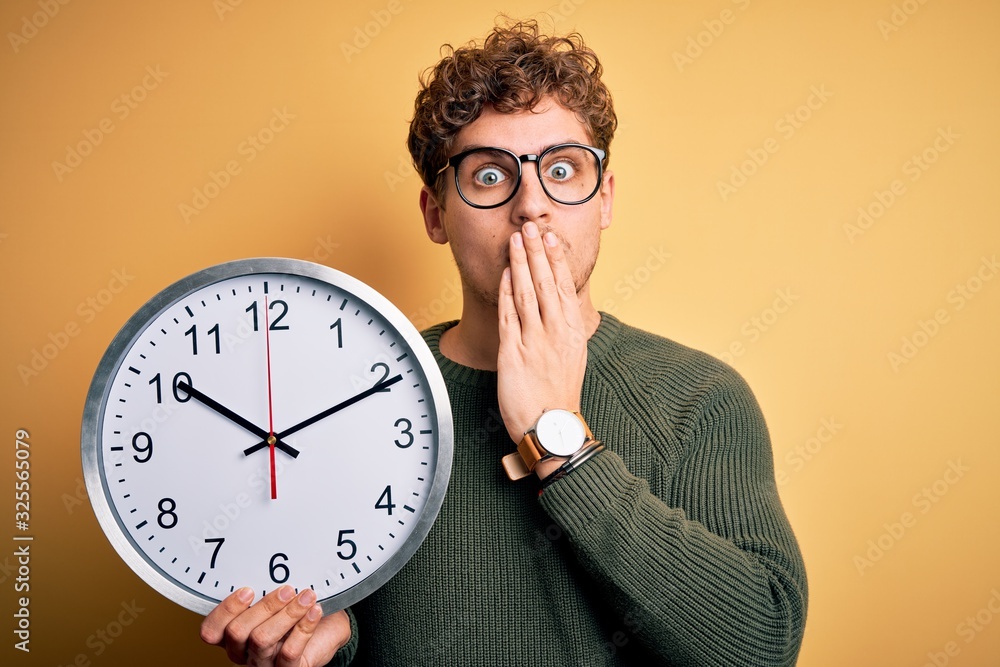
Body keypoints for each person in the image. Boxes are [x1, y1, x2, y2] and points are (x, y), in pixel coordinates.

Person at [200, 19, 808, 666]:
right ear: (436, 213)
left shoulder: (701, 399)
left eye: (563, 169)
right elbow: (347, 621)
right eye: (489, 176)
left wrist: (556, 437)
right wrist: (328, 647)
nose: (531, 205)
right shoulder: (354, 400)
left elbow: (762, 647)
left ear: (603, 199)